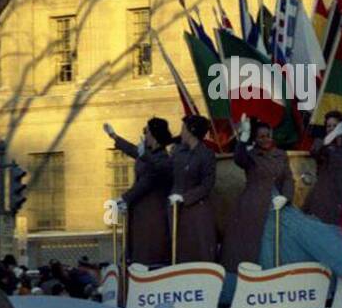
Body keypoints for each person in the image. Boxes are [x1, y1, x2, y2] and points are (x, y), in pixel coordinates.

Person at [222, 117, 294, 273]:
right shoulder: (250, 155)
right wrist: (244, 137)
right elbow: (239, 159)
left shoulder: (281, 154)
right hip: (253, 206)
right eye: (261, 137)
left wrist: (286, 197)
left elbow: (288, 178)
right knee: (254, 245)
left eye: (268, 136)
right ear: (255, 138)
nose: (266, 140)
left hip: (277, 204)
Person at [105, 117, 174, 267]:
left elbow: (147, 181)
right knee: (137, 248)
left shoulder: (162, 158)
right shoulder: (148, 153)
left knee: (149, 249)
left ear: (154, 135)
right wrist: (114, 136)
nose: (144, 134)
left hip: (152, 212)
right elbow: (133, 150)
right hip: (140, 209)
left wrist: (124, 198)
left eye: (146, 131)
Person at [168, 114, 217, 263]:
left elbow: (207, 184)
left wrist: (185, 197)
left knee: (198, 251)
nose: (181, 132)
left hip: (196, 212)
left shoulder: (206, 154)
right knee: (180, 252)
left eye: (183, 129)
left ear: (191, 131)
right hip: (177, 210)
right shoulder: (178, 152)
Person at [304, 111, 342, 225]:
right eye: (328, 126)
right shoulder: (321, 144)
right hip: (325, 197)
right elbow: (315, 152)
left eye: (335, 126)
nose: (331, 129)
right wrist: (330, 137)